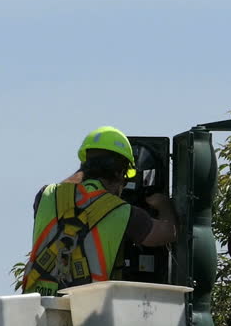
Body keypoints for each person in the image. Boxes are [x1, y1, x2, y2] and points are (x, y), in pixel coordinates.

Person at [22, 126, 176, 296]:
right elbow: (168, 233)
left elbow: (69, 191)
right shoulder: (123, 212)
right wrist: (163, 204)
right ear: (120, 174)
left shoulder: (46, 195)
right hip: (85, 311)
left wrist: (85, 169)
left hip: (34, 307)